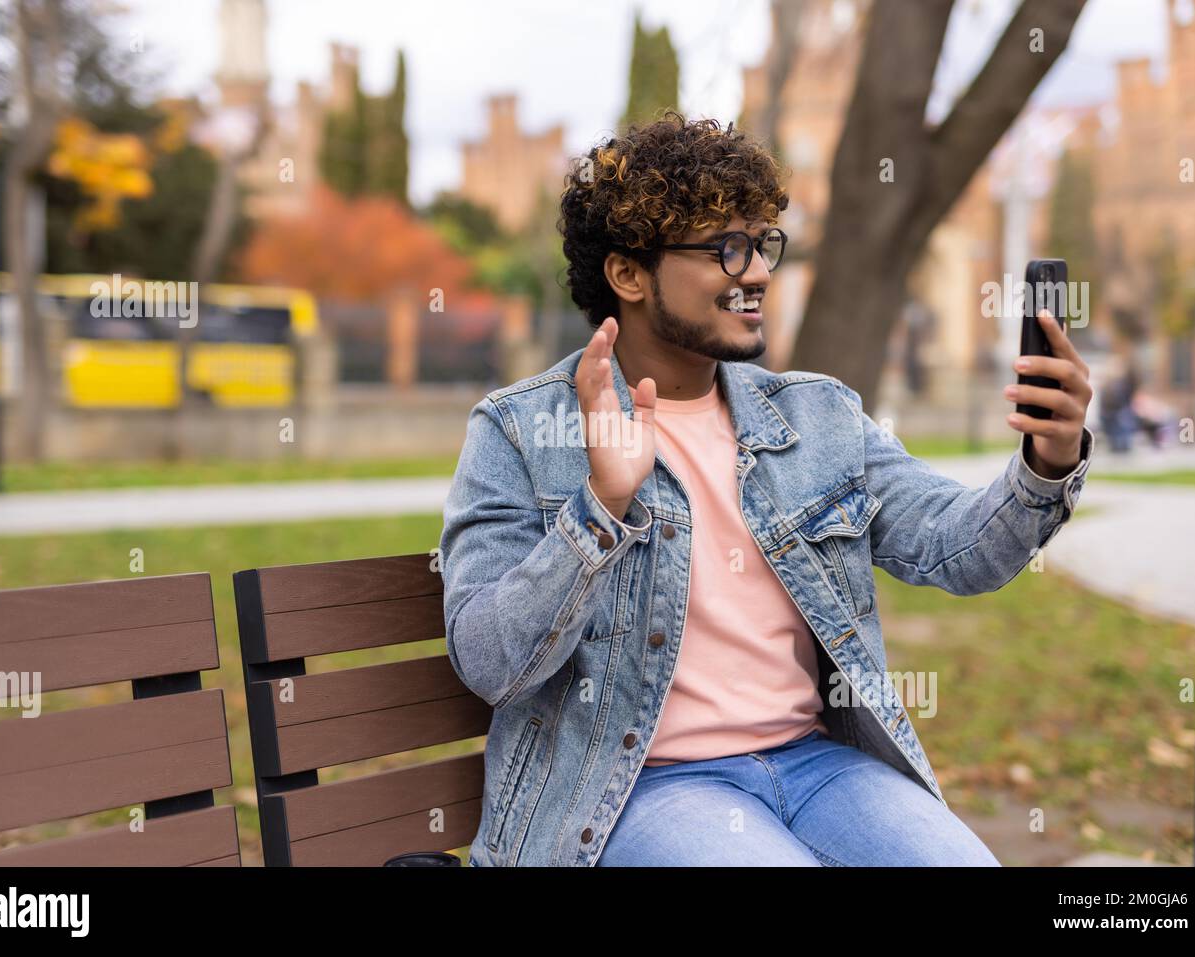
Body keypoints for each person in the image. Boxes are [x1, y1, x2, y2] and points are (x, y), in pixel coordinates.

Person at [440, 112, 1095, 867]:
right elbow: (490, 661)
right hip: (641, 791)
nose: (755, 272)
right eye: (725, 248)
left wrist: (1048, 460)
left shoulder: (815, 413)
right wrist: (600, 509)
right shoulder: (520, 430)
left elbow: (958, 550)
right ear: (629, 274)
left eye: (760, 244)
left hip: (820, 767)